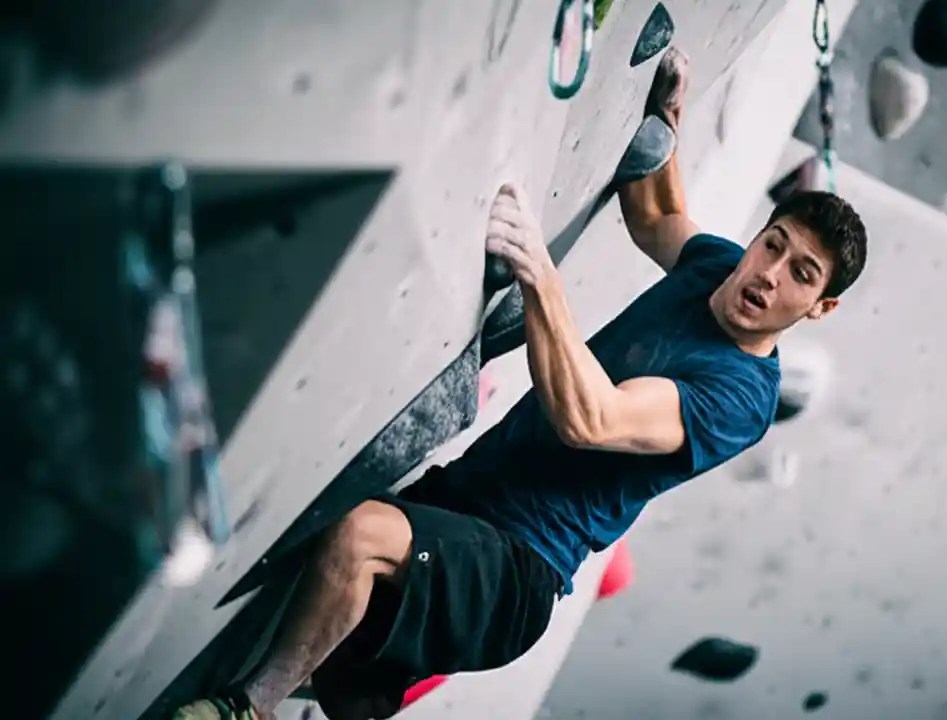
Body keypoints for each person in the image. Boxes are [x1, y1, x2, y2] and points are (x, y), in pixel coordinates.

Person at [172, 48, 868, 720]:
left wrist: (541, 276)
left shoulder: (740, 397)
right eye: (773, 243)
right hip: (472, 494)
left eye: (801, 274)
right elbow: (656, 214)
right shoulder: (719, 267)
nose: (770, 274)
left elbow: (593, 419)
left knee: (361, 539)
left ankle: (246, 710)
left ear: (820, 307)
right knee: (333, 614)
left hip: (519, 566)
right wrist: (666, 119)